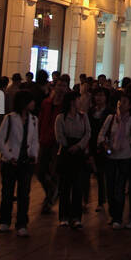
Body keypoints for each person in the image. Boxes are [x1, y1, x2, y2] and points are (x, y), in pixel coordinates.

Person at [0, 90, 39, 236]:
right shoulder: (9, 118)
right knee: (7, 193)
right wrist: (9, 156)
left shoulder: (34, 120)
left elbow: (35, 140)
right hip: (11, 161)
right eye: (31, 101)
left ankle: (22, 223)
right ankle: (4, 221)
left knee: (24, 194)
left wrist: (34, 155)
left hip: (26, 161)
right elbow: (0, 139)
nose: (33, 103)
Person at [99, 95, 131, 228]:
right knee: (110, 187)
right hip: (111, 156)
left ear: (130, 106)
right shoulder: (111, 119)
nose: (121, 104)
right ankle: (113, 214)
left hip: (125, 157)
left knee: (119, 188)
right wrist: (106, 145)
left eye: (125, 102)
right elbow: (102, 134)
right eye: (120, 102)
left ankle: (118, 218)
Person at [55, 90, 91, 228]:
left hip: (79, 152)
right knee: (65, 186)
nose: (79, 102)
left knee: (78, 186)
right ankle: (64, 216)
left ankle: (76, 216)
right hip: (66, 152)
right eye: (78, 99)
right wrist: (67, 145)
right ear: (72, 102)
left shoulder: (83, 116)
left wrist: (79, 146)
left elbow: (88, 133)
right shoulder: (61, 118)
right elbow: (59, 135)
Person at [37, 80, 65, 213]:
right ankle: (52, 191)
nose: (61, 88)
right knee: (40, 171)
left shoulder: (65, 105)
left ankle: (49, 200)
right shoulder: (46, 103)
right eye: (59, 85)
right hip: (44, 140)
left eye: (63, 86)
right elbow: (41, 119)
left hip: (57, 142)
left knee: (54, 172)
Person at [87, 89, 110, 213]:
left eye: (101, 95)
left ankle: (101, 201)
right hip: (91, 142)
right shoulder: (91, 111)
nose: (98, 98)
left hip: (102, 145)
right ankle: (85, 199)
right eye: (97, 95)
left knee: (101, 173)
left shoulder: (109, 112)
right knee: (88, 171)